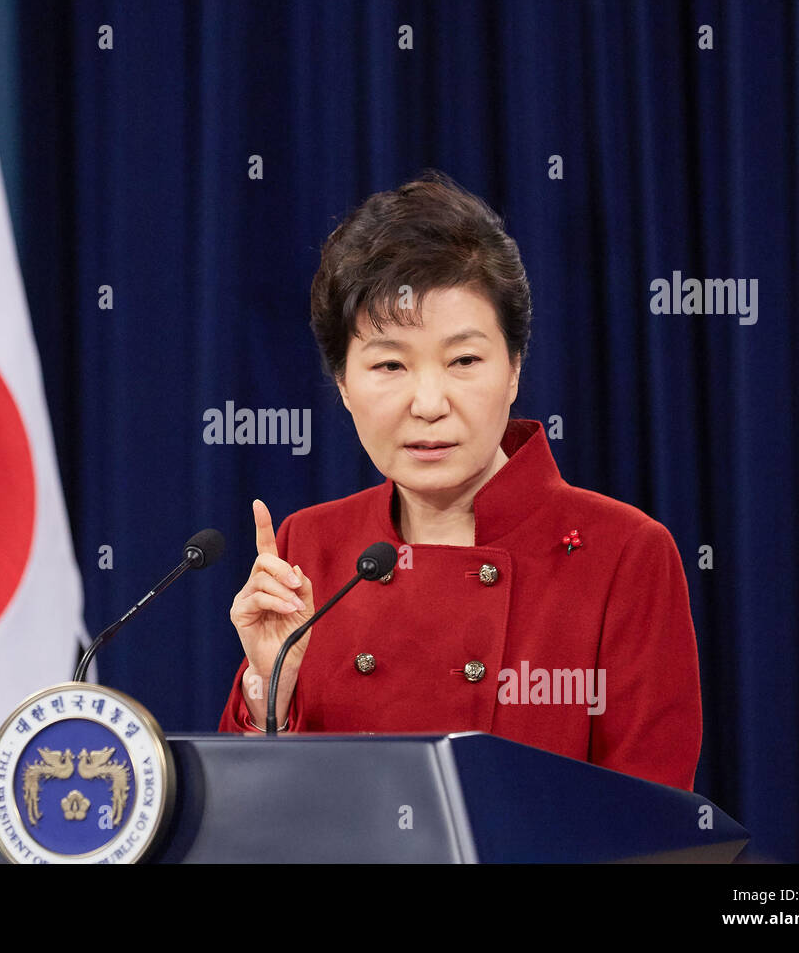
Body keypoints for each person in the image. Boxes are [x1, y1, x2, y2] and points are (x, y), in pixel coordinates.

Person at [218, 171, 702, 792]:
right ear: (342, 385)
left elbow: (654, 827)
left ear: (514, 370)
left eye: (463, 360)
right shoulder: (309, 544)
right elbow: (252, 821)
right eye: (390, 364)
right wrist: (270, 696)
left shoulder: (623, 551)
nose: (428, 402)